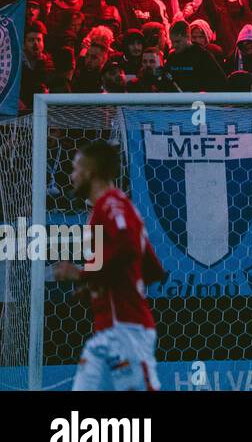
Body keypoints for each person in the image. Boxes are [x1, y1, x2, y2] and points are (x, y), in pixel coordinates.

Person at [53, 141, 167, 390]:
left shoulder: (111, 205)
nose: (71, 176)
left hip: (126, 331)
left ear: (90, 173)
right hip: (106, 331)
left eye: (75, 169)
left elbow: (127, 248)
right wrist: (97, 284)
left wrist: (82, 275)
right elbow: (151, 269)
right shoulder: (111, 208)